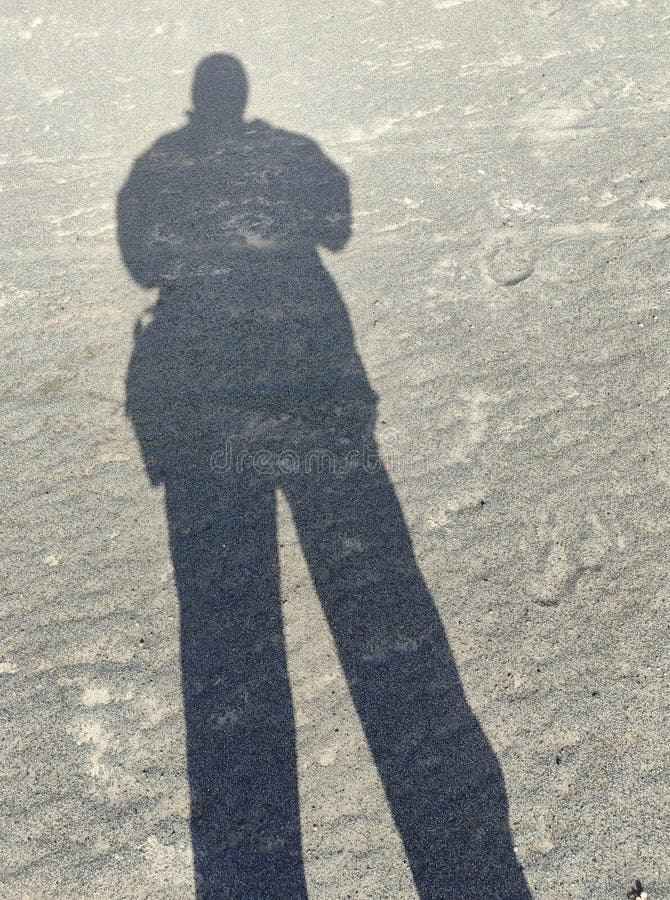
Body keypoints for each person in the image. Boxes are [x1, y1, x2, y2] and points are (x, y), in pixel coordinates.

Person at [118, 54, 531, 899]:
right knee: (366, 576)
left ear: (198, 100)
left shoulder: (159, 161)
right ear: (244, 97)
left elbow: (142, 262)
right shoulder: (294, 151)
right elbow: (335, 225)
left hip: (208, 382)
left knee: (229, 605)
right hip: (307, 370)